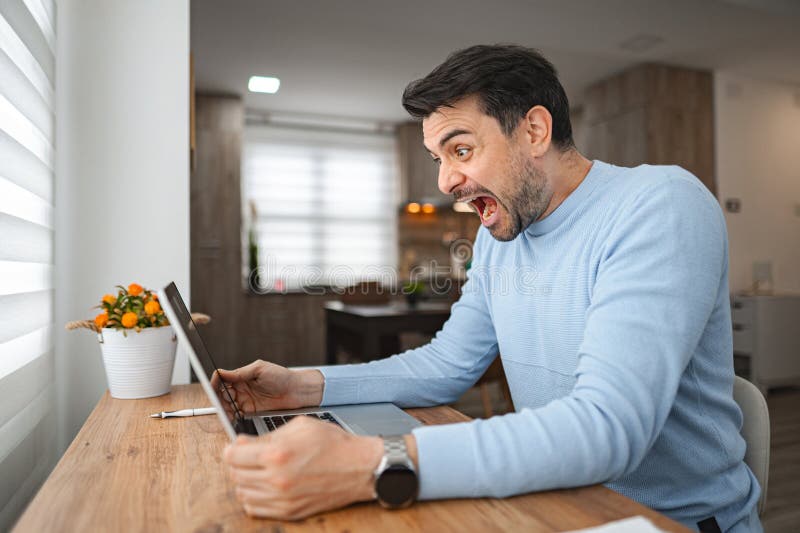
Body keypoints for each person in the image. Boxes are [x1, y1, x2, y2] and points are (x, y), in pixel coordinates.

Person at [210, 44, 762, 531]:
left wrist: (369, 462)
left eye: (461, 149)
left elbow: (607, 428)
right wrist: (299, 388)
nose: (445, 180)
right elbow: (445, 365)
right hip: (554, 501)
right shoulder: (499, 237)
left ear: (535, 131)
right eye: (438, 158)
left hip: (666, 522)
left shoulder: (660, 205)